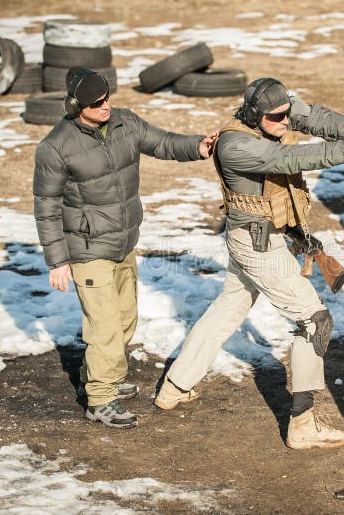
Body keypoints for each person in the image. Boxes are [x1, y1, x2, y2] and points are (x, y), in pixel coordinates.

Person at [156, 77, 344, 449]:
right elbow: (292, 158)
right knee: (314, 321)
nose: (286, 122)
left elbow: (317, 119)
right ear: (255, 115)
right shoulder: (236, 145)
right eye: (277, 117)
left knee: (228, 308)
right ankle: (302, 424)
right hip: (257, 245)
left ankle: (175, 387)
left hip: (257, 238)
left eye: (287, 113)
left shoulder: (273, 112)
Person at [33, 67, 217, 429]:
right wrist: (57, 261)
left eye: (107, 98)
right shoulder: (55, 147)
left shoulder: (125, 123)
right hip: (86, 248)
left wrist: (197, 146)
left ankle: (102, 375)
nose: (106, 106)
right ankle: (100, 399)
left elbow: (162, 141)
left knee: (124, 320)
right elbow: (46, 207)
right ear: (75, 106)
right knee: (103, 327)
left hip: (124, 241)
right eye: (97, 103)